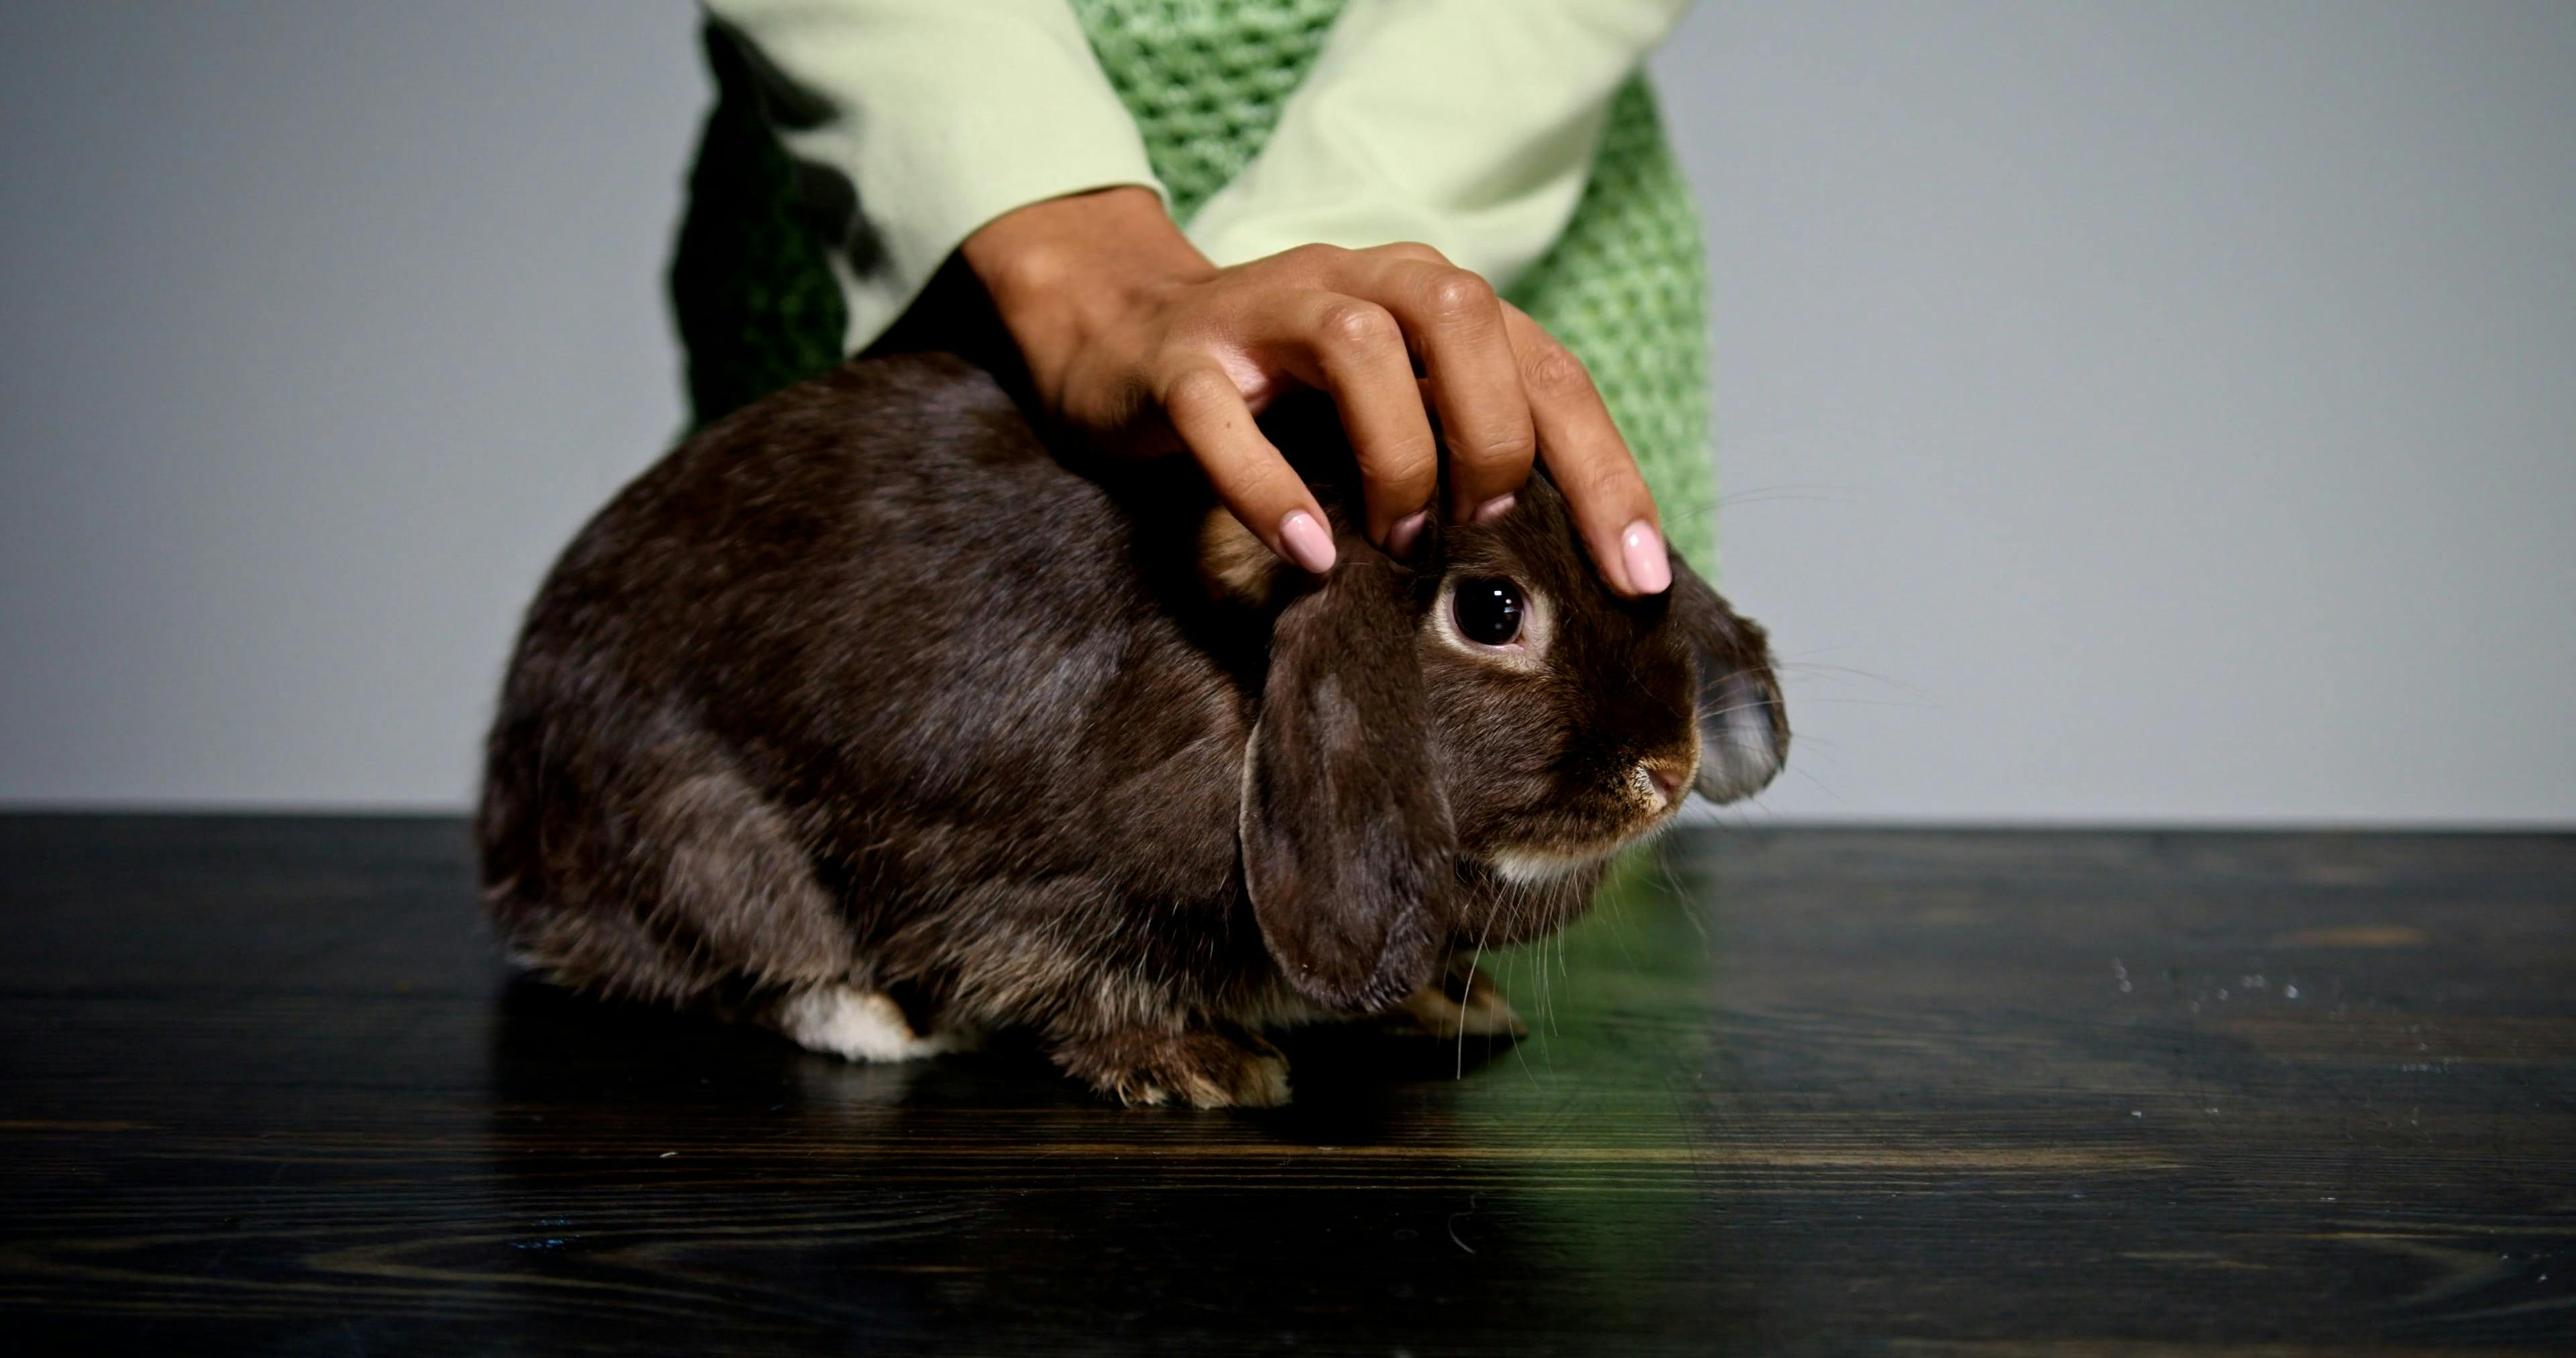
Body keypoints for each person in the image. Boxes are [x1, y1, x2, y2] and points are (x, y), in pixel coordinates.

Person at [671, 0, 1711, 596]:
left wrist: (1298, 302)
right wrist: (1065, 251)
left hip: (1489, 203)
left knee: (1517, 864)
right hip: (916, 222)